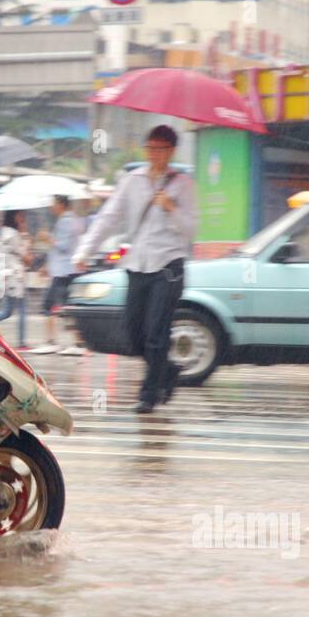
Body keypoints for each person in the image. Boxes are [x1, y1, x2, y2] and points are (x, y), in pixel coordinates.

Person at [74, 125, 197, 413]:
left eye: (161, 149)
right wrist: (84, 251)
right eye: (151, 148)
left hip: (168, 267)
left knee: (156, 333)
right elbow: (109, 217)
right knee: (133, 332)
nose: (155, 154)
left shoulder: (183, 185)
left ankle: (149, 393)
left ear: (171, 151)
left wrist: (171, 208)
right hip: (137, 265)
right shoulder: (132, 181)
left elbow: (191, 229)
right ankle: (167, 371)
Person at [31, 195, 84, 355]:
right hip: (64, 270)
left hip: (63, 272)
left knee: (50, 305)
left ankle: (54, 342)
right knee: (67, 307)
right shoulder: (71, 219)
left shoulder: (66, 221)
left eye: (53, 203)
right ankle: (77, 343)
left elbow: (63, 247)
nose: (51, 207)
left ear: (61, 204)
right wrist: (48, 265)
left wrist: (49, 238)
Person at [0, 209, 30, 347]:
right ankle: (22, 343)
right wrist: (24, 234)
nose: (23, 217)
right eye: (21, 215)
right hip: (15, 278)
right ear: (14, 216)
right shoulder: (14, 235)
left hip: (5, 276)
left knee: (7, 311)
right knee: (22, 309)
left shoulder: (2, 232)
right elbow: (27, 257)